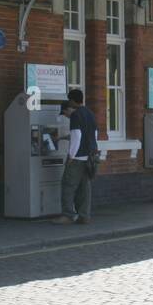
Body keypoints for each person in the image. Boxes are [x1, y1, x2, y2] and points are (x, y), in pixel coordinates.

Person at [55, 88, 98, 225]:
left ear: (72, 101)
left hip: (78, 158)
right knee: (84, 188)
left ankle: (67, 215)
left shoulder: (76, 115)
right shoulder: (90, 113)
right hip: (90, 157)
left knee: (68, 185)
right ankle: (84, 216)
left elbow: (77, 136)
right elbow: (93, 135)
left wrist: (71, 156)